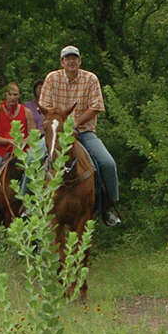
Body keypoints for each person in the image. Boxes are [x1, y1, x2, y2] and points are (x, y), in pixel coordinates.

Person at [39, 46, 122, 226]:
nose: (71, 62)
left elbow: (96, 106)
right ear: (62, 62)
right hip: (55, 133)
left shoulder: (90, 79)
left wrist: (74, 123)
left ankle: (109, 207)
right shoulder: (52, 78)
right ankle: (30, 206)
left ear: (79, 61)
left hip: (83, 131)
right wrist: (61, 122)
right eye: (67, 59)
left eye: (74, 58)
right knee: (31, 160)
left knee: (107, 163)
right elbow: (44, 106)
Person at [0, 82, 35, 220]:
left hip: (22, 152)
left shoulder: (26, 112)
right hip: (2, 152)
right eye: (10, 94)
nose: (12, 97)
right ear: (5, 95)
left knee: (35, 171)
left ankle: (32, 205)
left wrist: (23, 142)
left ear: (19, 96)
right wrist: (9, 141)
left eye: (15, 94)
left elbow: (33, 133)